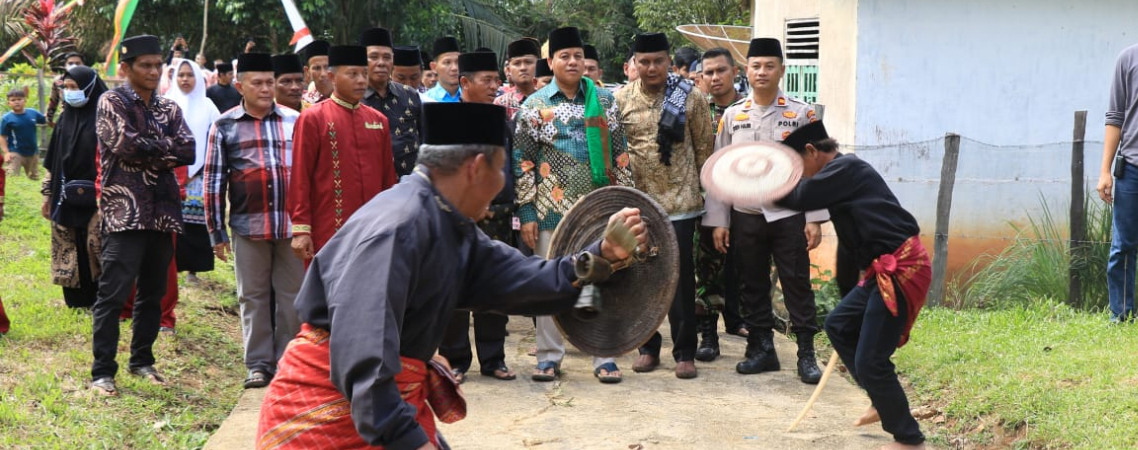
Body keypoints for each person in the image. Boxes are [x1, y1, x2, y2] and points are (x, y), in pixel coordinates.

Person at [257, 100, 649, 450]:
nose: (502, 187)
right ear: (476, 168)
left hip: (376, 404)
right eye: (502, 171)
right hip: (330, 412)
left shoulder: (445, 221)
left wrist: (600, 255)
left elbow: (519, 280)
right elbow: (364, 355)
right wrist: (406, 437)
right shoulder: (400, 228)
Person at [775, 120, 929, 450]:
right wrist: (852, 292)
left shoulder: (847, 168)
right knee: (839, 324)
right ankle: (880, 397)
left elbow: (801, 196)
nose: (797, 174)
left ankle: (909, 438)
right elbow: (849, 245)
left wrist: (763, 185)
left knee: (871, 361)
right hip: (879, 271)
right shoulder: (841, 181)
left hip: (903, 267)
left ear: (812, 152)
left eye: (796, 165)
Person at [515, 27, 634, 384]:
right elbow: (523, 162)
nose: (572, 62)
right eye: (564, 56)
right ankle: (549, 357)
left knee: (602, 281)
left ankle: (605, 356)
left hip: (600, 211)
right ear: (550, 63)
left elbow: (621, 155)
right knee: (550, 284)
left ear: (584, 61)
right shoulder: (534, 106)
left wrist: (627, 203)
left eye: (577, 56)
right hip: (551, 211)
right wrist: (526, 213)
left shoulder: (605, 101)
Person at [703, 37, 825, 384]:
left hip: (789, 214)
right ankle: (761, 350)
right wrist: (719, 221)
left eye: (769, 65)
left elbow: (818, 168)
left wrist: (815, 219)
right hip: (746, 214)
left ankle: (806, 355)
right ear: (746, 70)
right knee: (751, 283)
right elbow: (718, 170)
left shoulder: (802, 114)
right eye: (756, 65)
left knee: (797, 282)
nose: (762, 71)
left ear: (781, 70)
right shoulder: (733, 115)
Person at [89, 35, 196, 396]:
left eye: (157, 65)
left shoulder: (169, 108)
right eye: (145, 65)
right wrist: (164, 148)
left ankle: (142, 360)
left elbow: (189, 149)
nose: (153, 71)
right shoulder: (110, 101)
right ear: (126, 67)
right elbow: (125, 144)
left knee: (153, 292)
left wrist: (153, 148)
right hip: (125, 213)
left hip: (163, 212)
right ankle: (102, 372)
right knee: (113, 293)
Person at [615, 32, 713, 379]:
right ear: (634, 64)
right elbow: (618, 152)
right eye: (644, 61)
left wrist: (707, 199)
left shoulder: (692, 98)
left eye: (658, 60)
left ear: (670, 62)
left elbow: (705, 149)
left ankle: (685, 352)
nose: (652, 67)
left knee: (681, 279)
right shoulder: (621, 99)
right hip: (639, 204)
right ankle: (647, 347)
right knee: (640, 276)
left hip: (681, 202)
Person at [205, 53, 304, 389]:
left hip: (292, 228)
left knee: (292, 297)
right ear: (239, 86)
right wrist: (216, 231)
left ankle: (288, 362)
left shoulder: (295, 120)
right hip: (248, 226)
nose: (265, 89)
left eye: (269, 82)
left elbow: (307, 176)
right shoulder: (224, 126)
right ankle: (259, 364)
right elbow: (214, 181)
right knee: (253, 297)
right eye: (257, 83)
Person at [437, 51, 517, 383]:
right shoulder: (444, 119)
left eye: (497, 80)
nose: (495, 86)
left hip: (497, 216)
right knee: (453, 288)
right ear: (465, 82)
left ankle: (493, 357)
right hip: (455, 218)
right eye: (488, 80)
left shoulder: (503, 120)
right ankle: (455, 358)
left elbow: (510, 168)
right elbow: (438, 173)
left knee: (495, 285)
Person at [288, 45, 397, 260]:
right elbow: (300, 177)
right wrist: (301, 230)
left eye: (364, 74)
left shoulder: (378, 121)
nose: (361, 80)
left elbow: (388, 179)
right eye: (352, 74)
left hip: (373, 229)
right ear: (332, 77)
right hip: (328, 229)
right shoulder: (313, 118)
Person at [693, 47, 747, 361]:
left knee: (745, 268)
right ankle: (708, 336)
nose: (714, 78)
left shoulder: (748, 108)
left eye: (720, 71)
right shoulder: (699, 108)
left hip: (745, 202)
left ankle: (748, 327)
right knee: (706, 270)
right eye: (708, 72)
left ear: (734, 72)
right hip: (708, 203)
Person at [41, 66, 108, 310]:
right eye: (66, 88)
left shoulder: (105, 119)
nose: (69, 93)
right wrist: (47, 194)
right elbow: (52, 160)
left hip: (98, 197)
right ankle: (76, 301)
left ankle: (100, 300)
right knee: (68, 244)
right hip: (63, 195)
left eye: (74, 88)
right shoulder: (64, 119)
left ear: (90, 88)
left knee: (96, 245)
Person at [166, 59, 221, 286]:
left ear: (198, 78)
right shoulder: (167, 103)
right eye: (181, 75)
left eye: (189, 75)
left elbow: (216, 137)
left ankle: (192, 270)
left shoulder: (208, 106)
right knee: (171, 222)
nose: (185, 79)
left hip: (199, 174)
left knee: (195, 222)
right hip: (170, 171)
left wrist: (197, 168)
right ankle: (171, 267)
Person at [1098, 42, 1138, 323]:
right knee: (1123, 247)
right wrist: (1105, 170)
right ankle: (1121, 317)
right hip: (1132, 169)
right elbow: (1115, 117)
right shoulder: (1128, 59)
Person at [359, 27, 422, 177]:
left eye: (387, 57)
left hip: (409, 185)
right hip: (370, 187)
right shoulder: (353, 99)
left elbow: (424, 139)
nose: (381, 63)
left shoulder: (410, 95)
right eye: (373, 57)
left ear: (393, 60)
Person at [2, 89, 47, 180]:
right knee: (12, 175)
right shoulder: (7, 118)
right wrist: (6, 152)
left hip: (33, 152)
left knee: (34, 177)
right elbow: (2, 136)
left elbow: (46, 120)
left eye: (19, 99)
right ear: (8, 103)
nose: (17, 102)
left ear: (25, 101)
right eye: (13, 100)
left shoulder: (33, 113)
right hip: (15, 151)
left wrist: (51, 110)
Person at [495, 38, 541, 118]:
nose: (523, 68)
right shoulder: (501, 104)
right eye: (517, 63)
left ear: (539, 65)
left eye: (528, 62)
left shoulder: (552, 100)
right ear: (509, 69)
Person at [46, 52, 85, 127]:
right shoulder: (59, 81)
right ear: (65, 65)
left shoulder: (88, 80)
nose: (74, 65)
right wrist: (49, 119)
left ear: (83, 65)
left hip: (85, 119)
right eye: (70, 63)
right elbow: (53, 101)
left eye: (78, 63)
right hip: (66, 119)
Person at [424, 37, 462, 102]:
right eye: (447, 62)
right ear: (434, 67)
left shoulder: (472, 97)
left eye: (458, 62)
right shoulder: (426, 100)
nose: (454, 68)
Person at [299, 40, 332, 108]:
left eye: (327, 67)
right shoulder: (302, 104)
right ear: (307, 71)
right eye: (317, 68)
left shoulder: (351, 99)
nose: (323, 74)